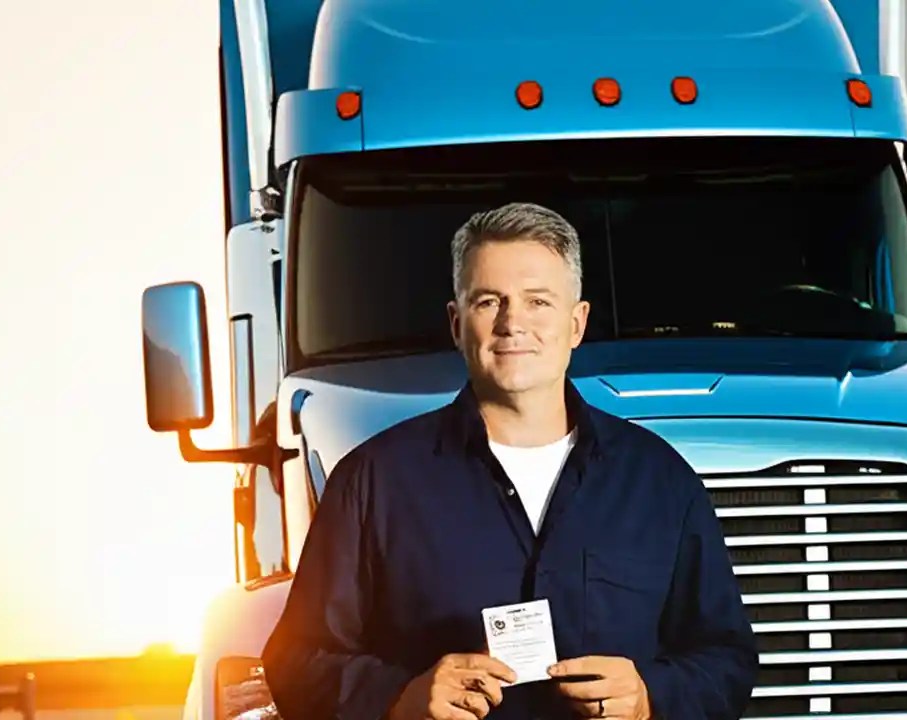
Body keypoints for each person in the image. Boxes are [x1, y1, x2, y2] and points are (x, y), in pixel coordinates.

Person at [261, 202, 758, 719]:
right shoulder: (372, 483)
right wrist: (398, 699)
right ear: (456, 324)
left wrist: (652, 697)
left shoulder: (659, 480)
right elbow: (296, 661)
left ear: (576, 323)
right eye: (488, 302)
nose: (512, 323)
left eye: (538, 301)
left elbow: (727, 657)